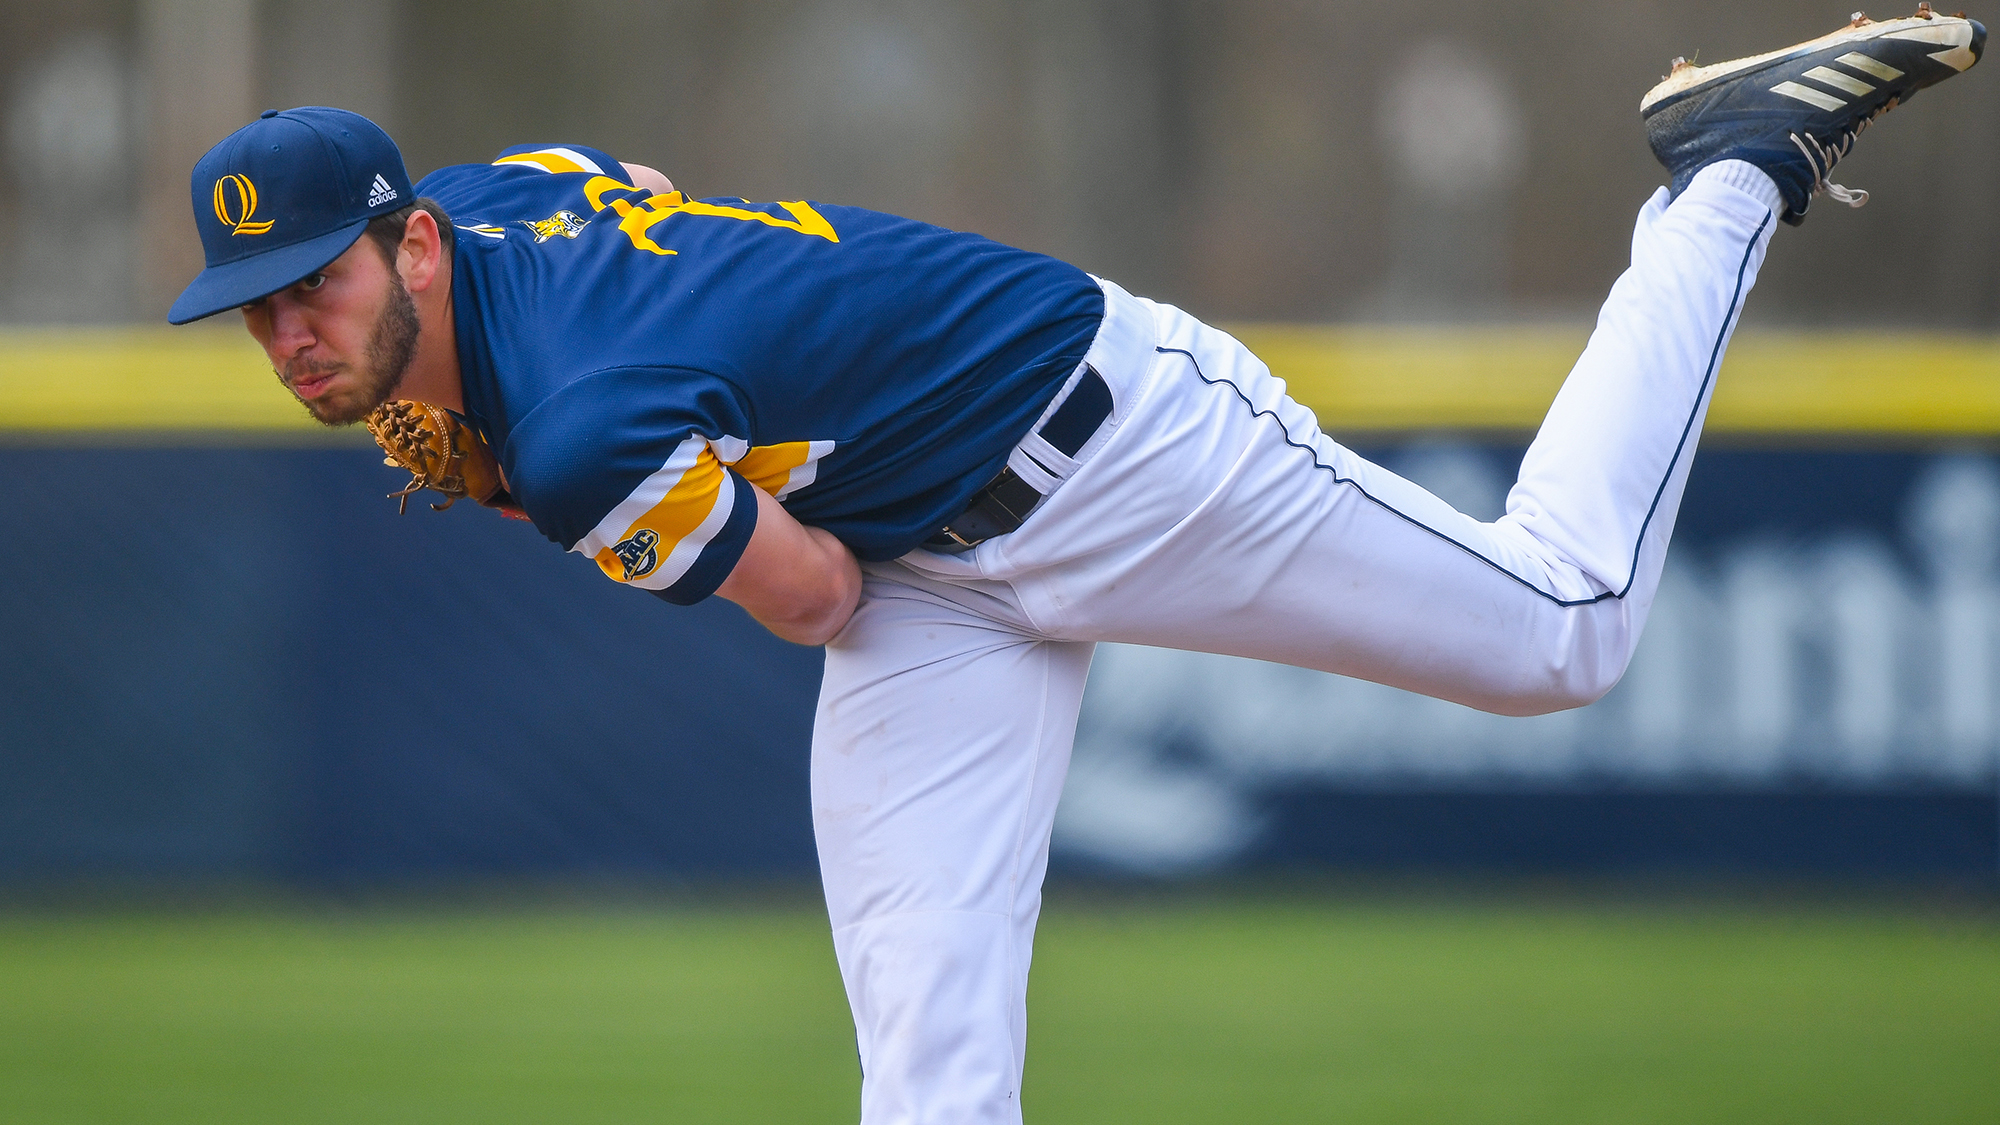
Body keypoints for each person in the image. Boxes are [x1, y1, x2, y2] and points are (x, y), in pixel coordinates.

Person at [168, 11, 1981, 1123]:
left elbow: (810, 600)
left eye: (316, 283)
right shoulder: (497, 197)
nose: (290, 334)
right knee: (929, 1070)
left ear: (412, 246)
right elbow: (615, 172)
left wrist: (528, 487)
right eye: (256, 310)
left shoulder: (574, 440)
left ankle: (1725, 175)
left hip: (1107, 441)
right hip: (924, 554)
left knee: (1562, 629)